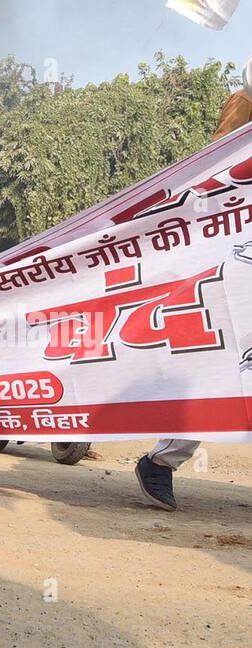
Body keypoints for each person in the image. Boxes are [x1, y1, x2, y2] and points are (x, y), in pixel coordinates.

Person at [135, 56, 252, 511]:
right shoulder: (243, 106)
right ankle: (161, 462)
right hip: (240, 253)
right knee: (223, 359)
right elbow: (214, 174)